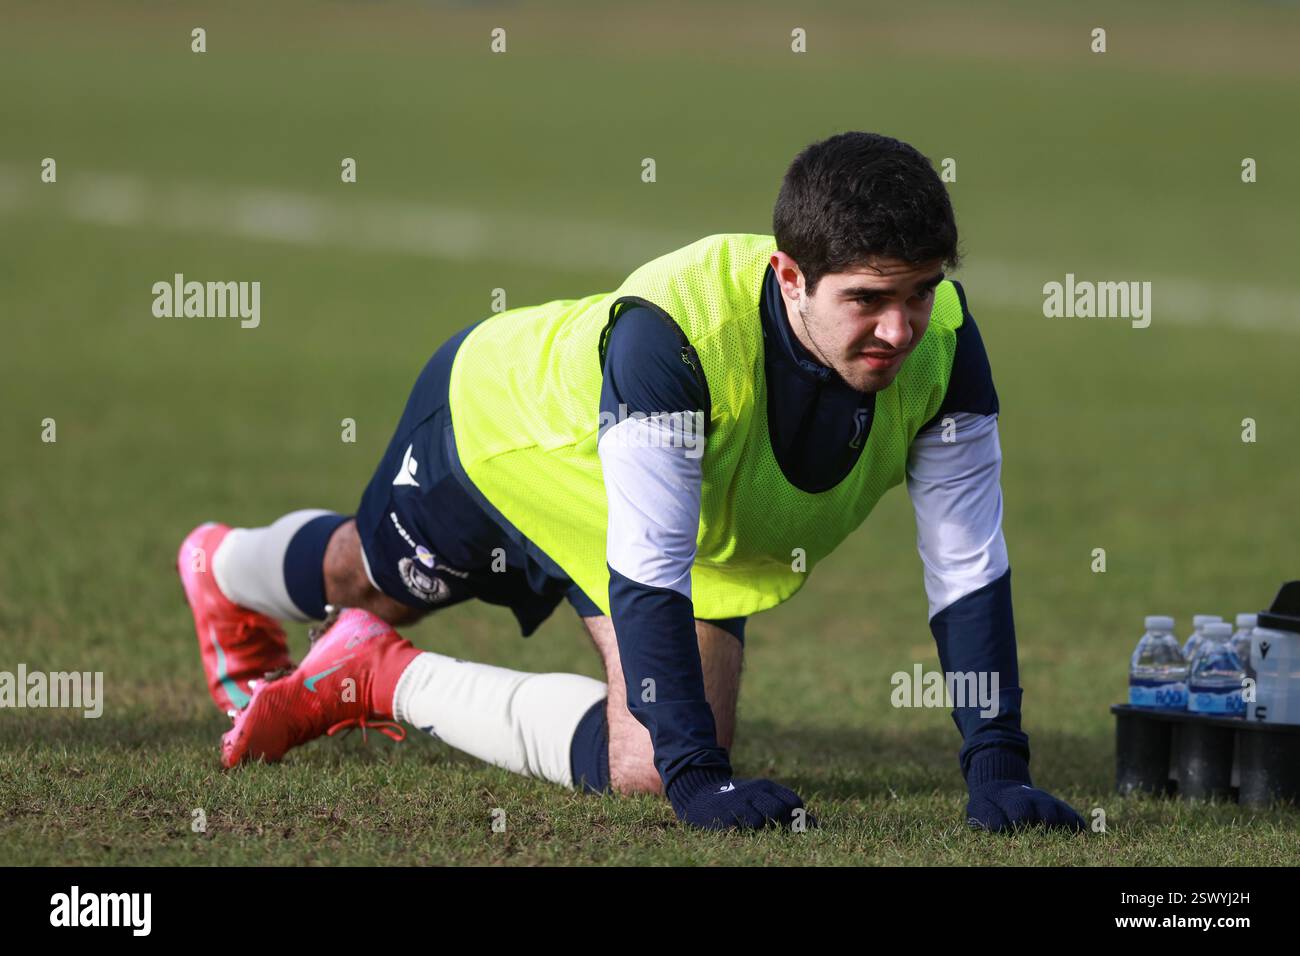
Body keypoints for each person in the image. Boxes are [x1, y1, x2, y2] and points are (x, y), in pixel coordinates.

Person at [177, 131, 1086, 833]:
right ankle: (222, 568)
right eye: (867, 300)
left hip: (675, 509)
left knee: (646, 760)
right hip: (511, 432)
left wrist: (997, 765)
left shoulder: (947, 347)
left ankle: (374, 674)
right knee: (370, 575)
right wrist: (701, 778)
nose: (899, 328)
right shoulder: (676, 336)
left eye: (918, 292)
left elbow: (967, 568)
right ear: (790, 276)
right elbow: (650, 565)